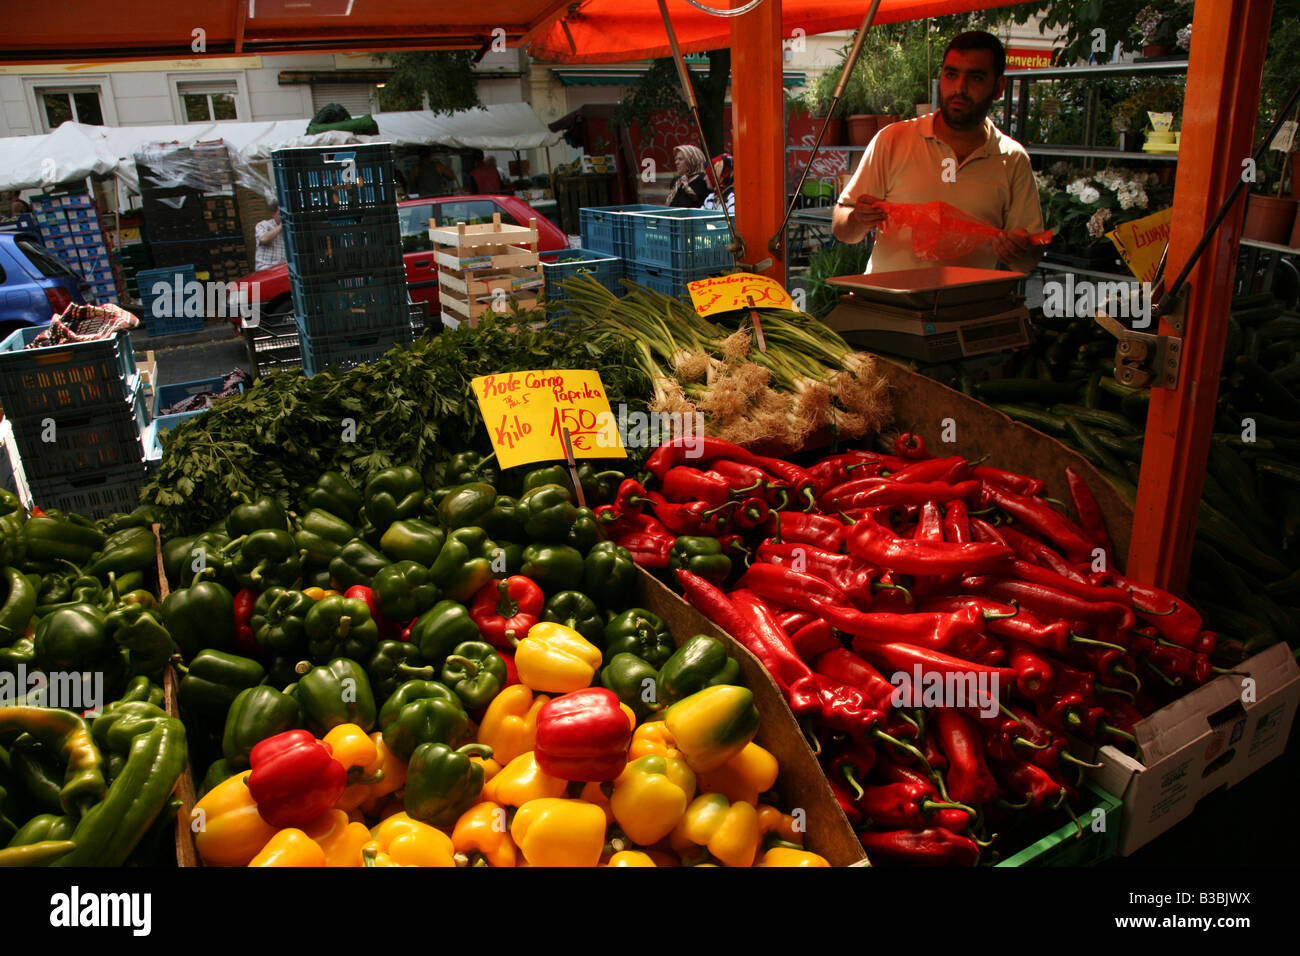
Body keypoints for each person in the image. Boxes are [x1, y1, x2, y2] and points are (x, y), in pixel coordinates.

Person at [831, 31, 1044, 274]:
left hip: (966, 308)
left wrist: (1020, 252)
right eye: (951, 75)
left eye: (975, 78)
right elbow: (842, 227)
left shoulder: (1013, 158)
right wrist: (857, 220)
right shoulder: (893, 140)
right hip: (892, 307)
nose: (959, 89)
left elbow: (1030, 258)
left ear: (999, 87)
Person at [254, 198, 286, 271]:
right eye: (280, 214)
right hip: (266, 268)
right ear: (273, 214)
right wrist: (281, 226)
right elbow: (263, 239)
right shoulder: (264, 225)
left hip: (282, 270)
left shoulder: (289, 229)